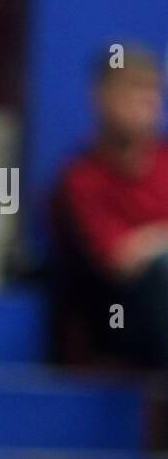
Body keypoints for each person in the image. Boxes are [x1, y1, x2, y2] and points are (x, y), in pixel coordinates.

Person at [52, 47, 168, 366]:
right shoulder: (81, 178)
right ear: (101, 97)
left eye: (151, 90)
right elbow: (119, 261)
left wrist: (149, 241)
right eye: (131, 88)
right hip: (117, 318)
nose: (143, 102)